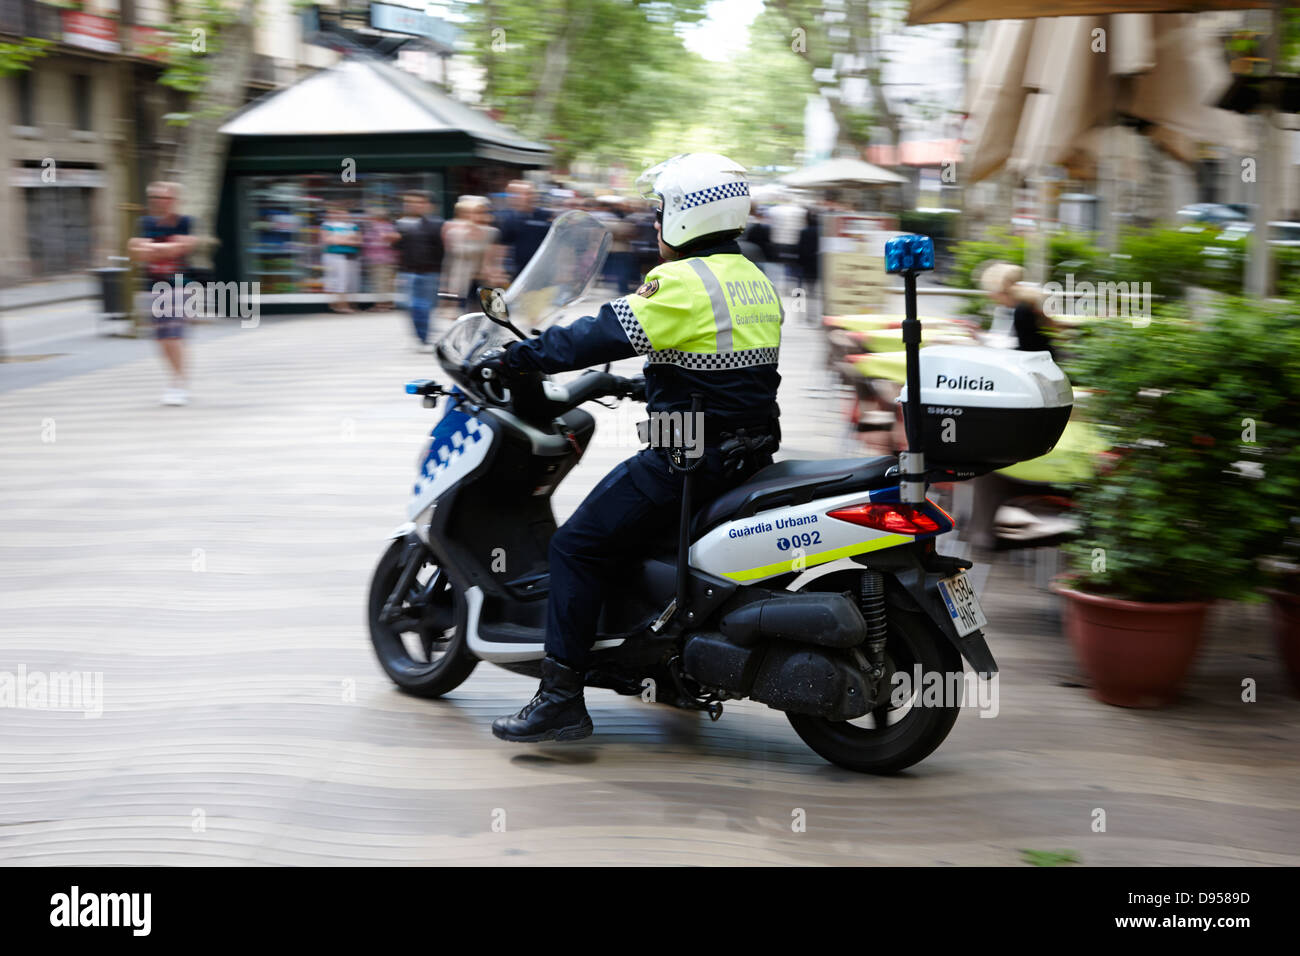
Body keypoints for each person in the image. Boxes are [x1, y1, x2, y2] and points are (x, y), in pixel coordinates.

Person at [479, 153, 784, 743]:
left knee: (576, 546)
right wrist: (645, 383)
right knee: (631, 545)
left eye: (661, 211)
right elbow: (729, 372)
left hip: (685, 460)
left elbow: (599, 334)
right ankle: (663, 668)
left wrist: (521, 356)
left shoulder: (682, 281)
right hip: (746, 454)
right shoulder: (754, 280)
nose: (654, 224)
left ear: (689, 218)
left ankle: (560, 696)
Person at [127, 181, 198, 406]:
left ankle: (178, 385)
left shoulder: (185, 222)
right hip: (152, 287)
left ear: (174, 200)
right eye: (156, 198)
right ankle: (175, 379)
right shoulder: (145, 223)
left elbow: (180, 248)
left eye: (165, 198)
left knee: (174, 336)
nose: (160, 202)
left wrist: (152, 248)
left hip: (179, 286)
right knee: (161, 340)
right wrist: (161, 249)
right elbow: (135, 252)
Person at [388, 191, 444, 348]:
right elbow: (397, 246)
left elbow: (441, 250)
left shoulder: (436, 224)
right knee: (411, 305)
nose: (413, 205)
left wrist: (441, 272)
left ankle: (423, 335)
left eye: (418, 202)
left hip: (430, 272)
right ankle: (422, 336)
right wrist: (393, 241)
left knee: (426, 305)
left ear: (426, 205)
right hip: (408, 271)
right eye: (409, 202)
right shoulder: (401, 223)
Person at [441, 196, 504, 315]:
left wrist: (496, 274)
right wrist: (446, 286)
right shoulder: (454, 233)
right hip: (463, 280)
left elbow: (496, 259)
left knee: (493, 315)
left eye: (481, 212)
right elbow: (450, 260)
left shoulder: (492, 233)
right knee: (468, 316)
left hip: (485, 280)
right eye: (472, 213)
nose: (477, 216)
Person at [495, 180, 553, 279]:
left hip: (542, 270)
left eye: (530, 194)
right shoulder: (508, 218)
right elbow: (501, 246)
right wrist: (497, 267)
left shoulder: (545, 216)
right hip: (518, 273)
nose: (526, 197)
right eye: (520, 194)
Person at [320, 205, 361, 313]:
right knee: (339, 282)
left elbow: (358, 241)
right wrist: (348, 238)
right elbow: (327, 240)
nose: (339, 215)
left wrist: (338, 239)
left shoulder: (353, 226)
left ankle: (347, 305)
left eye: (343, 213)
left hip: (351, 256)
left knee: (350, 282)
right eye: (336, 213)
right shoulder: (327, 225)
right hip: (335, 256)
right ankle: (342, 306)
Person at [362, 207, 397, 311]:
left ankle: (381, 305)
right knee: (388, 283)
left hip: (379, 259)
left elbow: (381, 242)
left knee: (380, 282)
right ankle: (389, 303)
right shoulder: (391, 227)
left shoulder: (377, 227)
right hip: (389, 259)